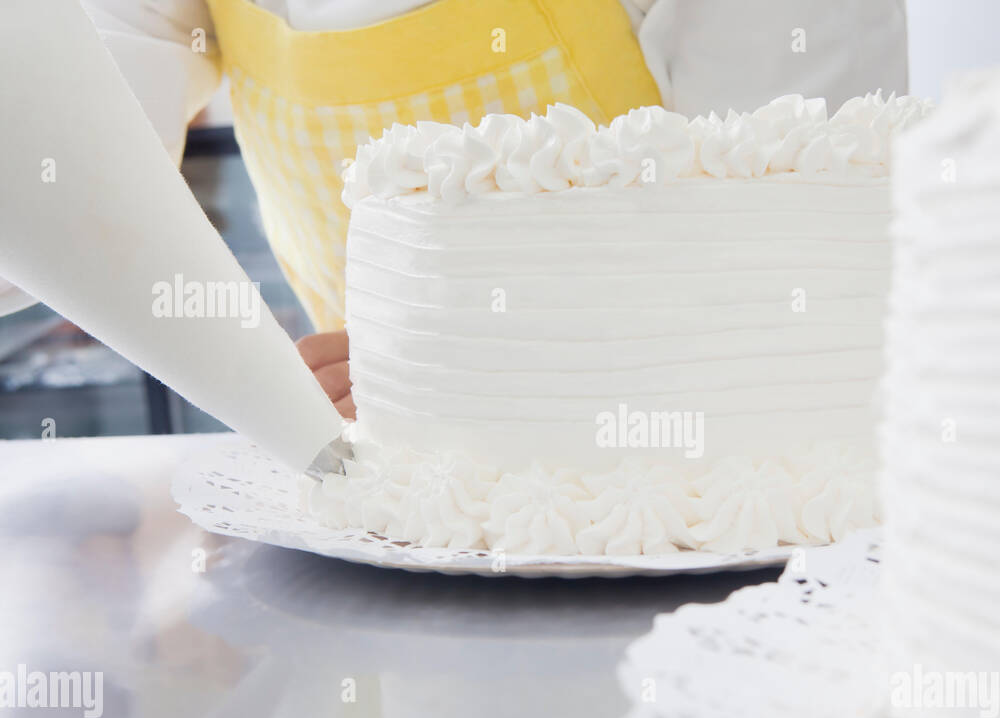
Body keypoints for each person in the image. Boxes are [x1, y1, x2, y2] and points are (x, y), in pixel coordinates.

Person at [2, 0, 907, 420]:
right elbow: (66, 137)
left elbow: (798, 262)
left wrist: (468, 379)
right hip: (386, 521)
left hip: (702, 514)